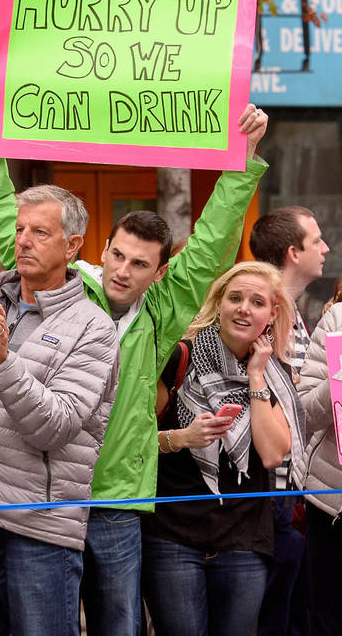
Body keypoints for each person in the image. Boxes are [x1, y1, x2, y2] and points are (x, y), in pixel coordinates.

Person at [0, 70, 269, 636]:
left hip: (117, 503)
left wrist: (243, 160)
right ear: (102, 248)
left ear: (159, 273)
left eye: (139, 264)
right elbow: (5, 220)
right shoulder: (69, 287)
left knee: (119, 627)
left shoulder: (162, 311)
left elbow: (212, 242)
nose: (123, 271)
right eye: (118, 255)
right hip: (49, 498)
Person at [0, 183, 120, 636]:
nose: (23, 241)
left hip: (40, 531)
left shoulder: (94, 327)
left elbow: (55, 427)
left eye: (40, 232)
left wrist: (1, 361)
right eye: (19, 230)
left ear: (73, 246)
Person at [142, 262, 304, 636]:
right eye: (235, 298)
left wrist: (256, 376)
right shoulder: (178, 357)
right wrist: (183, 437)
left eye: (257, 302)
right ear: (219, 303)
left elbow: (271, 454)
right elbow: (134, 439)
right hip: (173, 534)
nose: (244, 308)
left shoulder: (273, 370)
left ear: (272, 313)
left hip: (244, 536)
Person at [249, 205, 326, 635]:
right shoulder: (268, 310)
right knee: (273, 617)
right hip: (267, 491)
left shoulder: (293, 312)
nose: (326, 249)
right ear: (294, 252)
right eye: (316, 241)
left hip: (289, 489)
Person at [296, 299, 342, 635]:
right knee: (328, 617)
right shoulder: (337, 319)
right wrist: (339, 381)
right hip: (331, 505)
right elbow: (304, 415)